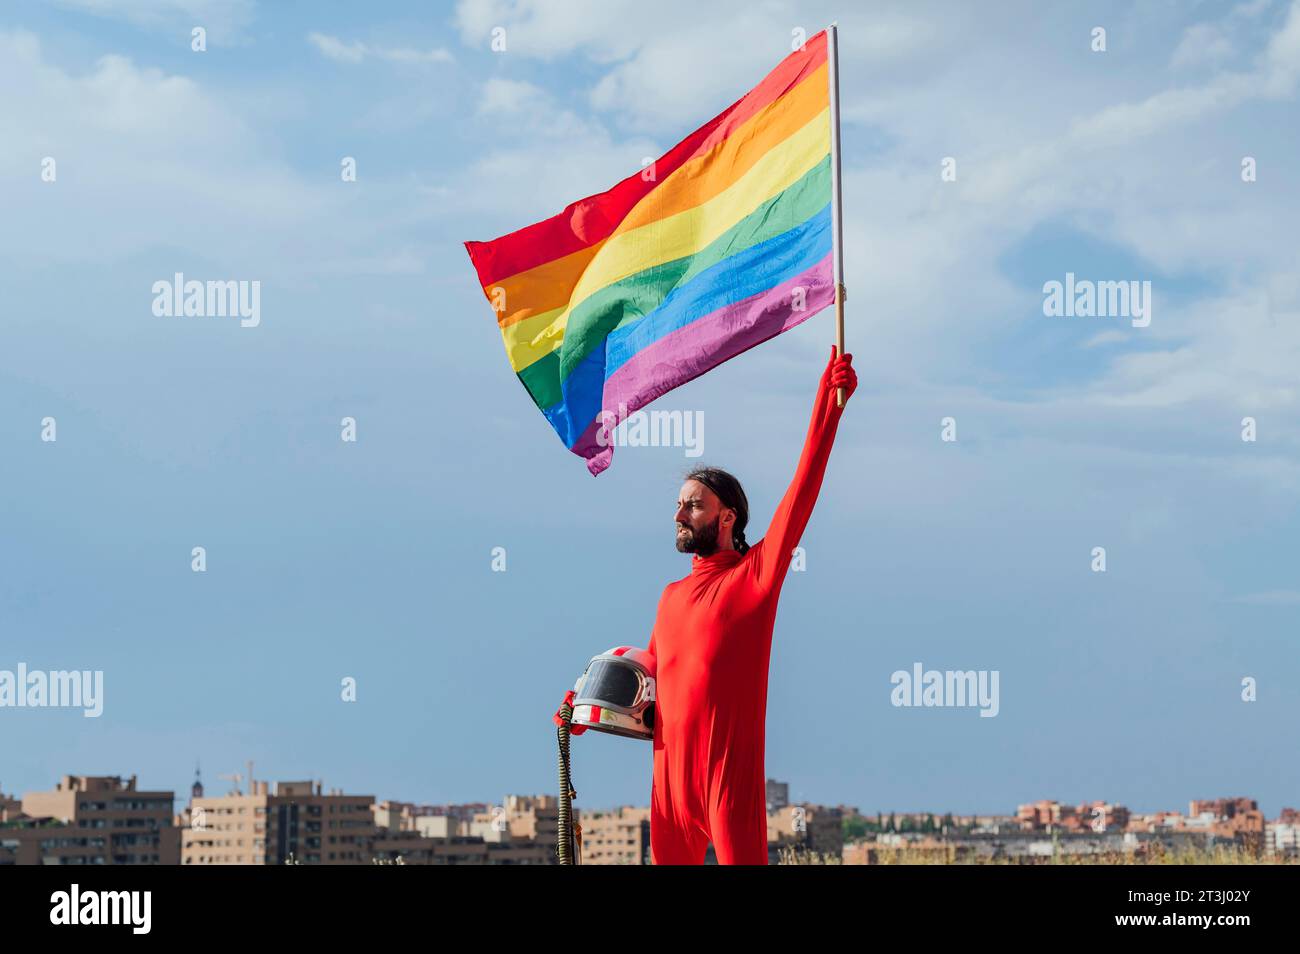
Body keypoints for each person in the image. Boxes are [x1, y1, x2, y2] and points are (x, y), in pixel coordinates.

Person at [647, 345, 857, 864]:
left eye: (693, 504)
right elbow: (648, 674)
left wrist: (828, 407)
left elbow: (802, 490)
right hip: (667, 790)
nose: (680, 513)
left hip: (728, 786)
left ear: (727, 517)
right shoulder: (670, 598)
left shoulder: (753, 578)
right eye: (678, 504)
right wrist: (585, 702)